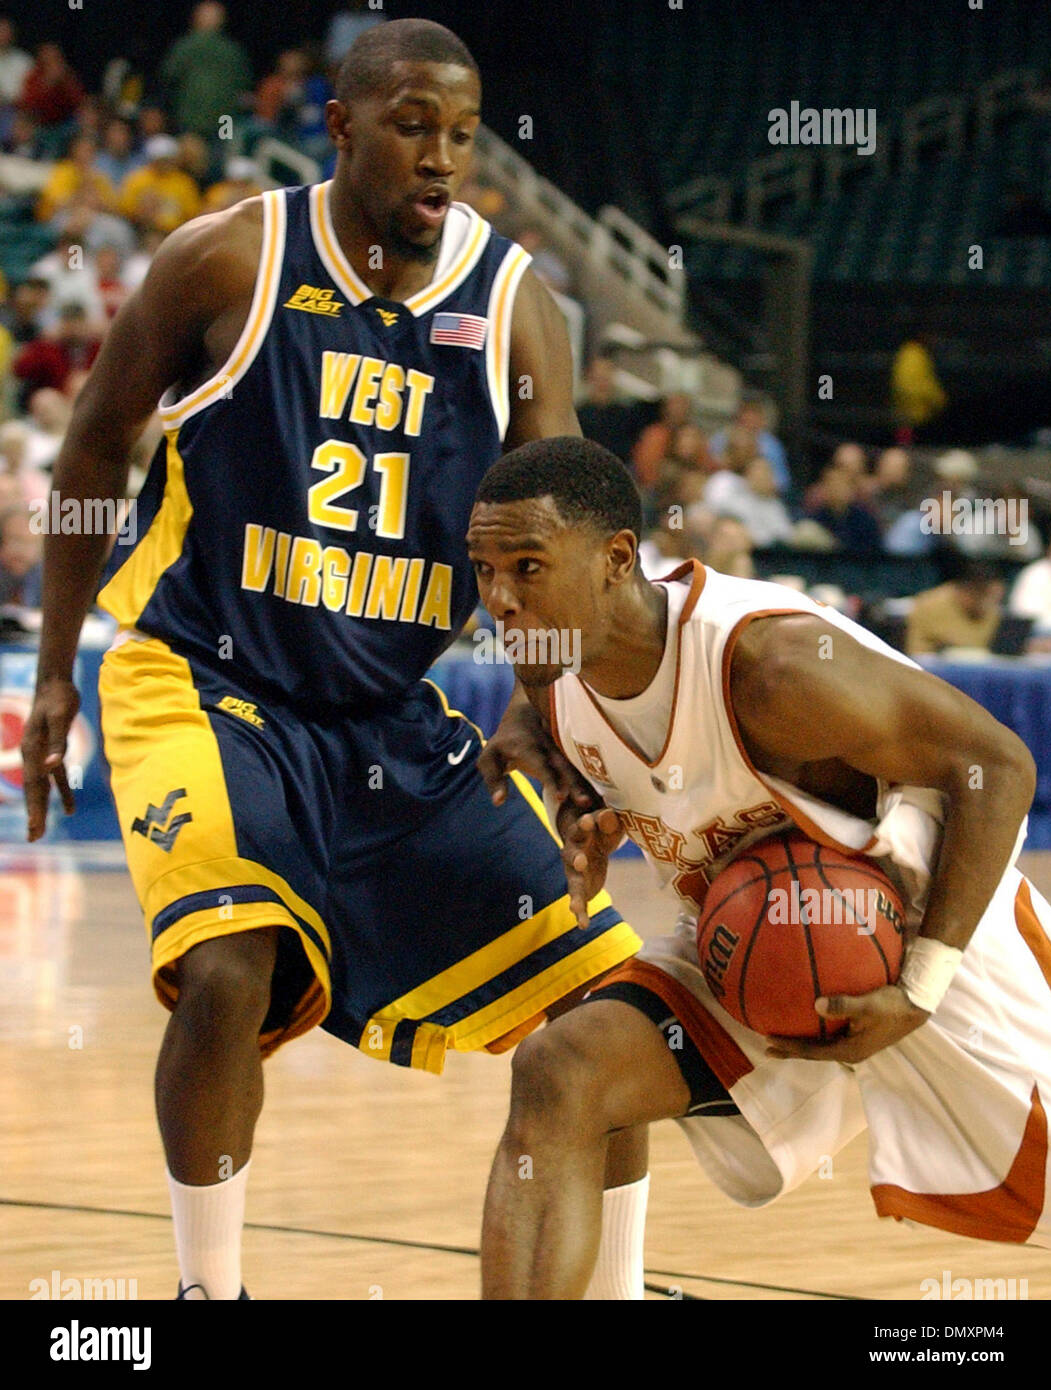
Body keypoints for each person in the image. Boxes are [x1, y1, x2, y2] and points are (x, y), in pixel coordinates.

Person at [21, 20, 638, 1302]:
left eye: (464, 135)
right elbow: (91, 454)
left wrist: (560, 723)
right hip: (201, 673)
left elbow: (560, 529)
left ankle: (621, 1290)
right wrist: (52, 673)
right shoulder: (226, 260)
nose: (442, 157)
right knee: (230, 962)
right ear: (342, 125)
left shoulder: (517, 303)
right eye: (414, 125)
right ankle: (210, 1291)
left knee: (607, 1007)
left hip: (385, 710)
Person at [467, 435, 1051, 1300]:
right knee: (559, 1073)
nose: (500, 602)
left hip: (930, 946)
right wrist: (579, 803)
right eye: (482, 570)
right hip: (752, 950)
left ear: (616, 559)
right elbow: (582, 728)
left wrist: (922, 983)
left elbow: (998, 766)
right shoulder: (547, 652)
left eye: (526, 567)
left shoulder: (774, 668)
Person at [158, 2, 253, 141]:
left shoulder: (185, 46)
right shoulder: (233, 51)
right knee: (221, 158)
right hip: (225, 120)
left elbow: (168, 76)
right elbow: (244, 86)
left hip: (191, 117)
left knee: (191, 158)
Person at [904, 562, 1004, 657]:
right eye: (986, 599)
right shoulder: (930, 605)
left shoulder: (992, 610)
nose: (990, 605)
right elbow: (919, 651)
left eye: (995, 600)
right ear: (967, 592)